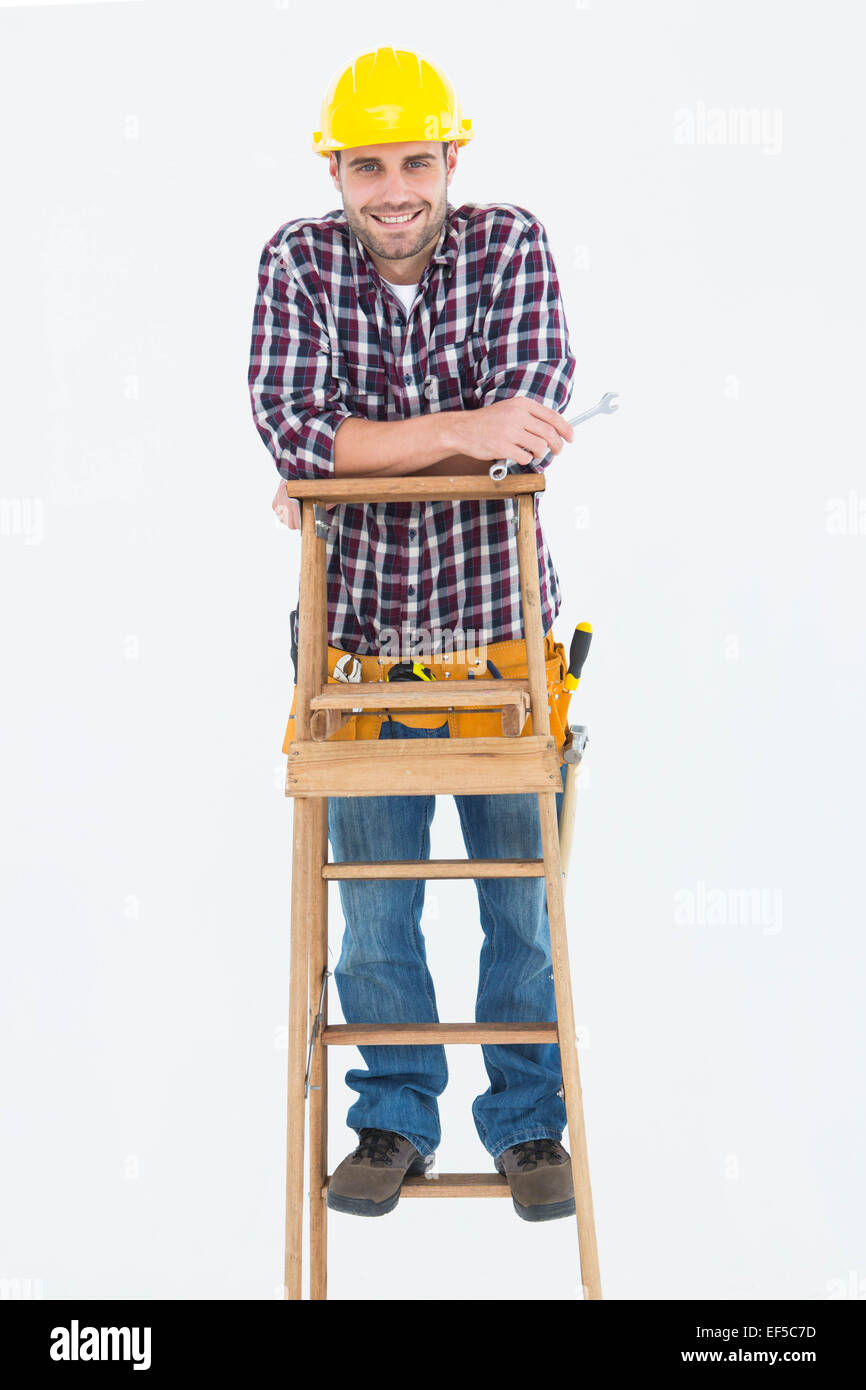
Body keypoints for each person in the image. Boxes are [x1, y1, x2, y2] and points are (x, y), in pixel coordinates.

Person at [248, 46, 578, 1223]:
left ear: (453, 156)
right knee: (376, 910)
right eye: (369, 166)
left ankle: (529, 1128)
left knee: (516, 903)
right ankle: (394, 1117)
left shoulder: (509, 246)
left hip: (497, 640)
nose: (394, 190)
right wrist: (458, 428)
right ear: (334, 167)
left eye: (416, 162)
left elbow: (528, 430)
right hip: (360, 652)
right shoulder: (295, 260)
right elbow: (293, 434)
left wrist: (356, 453)